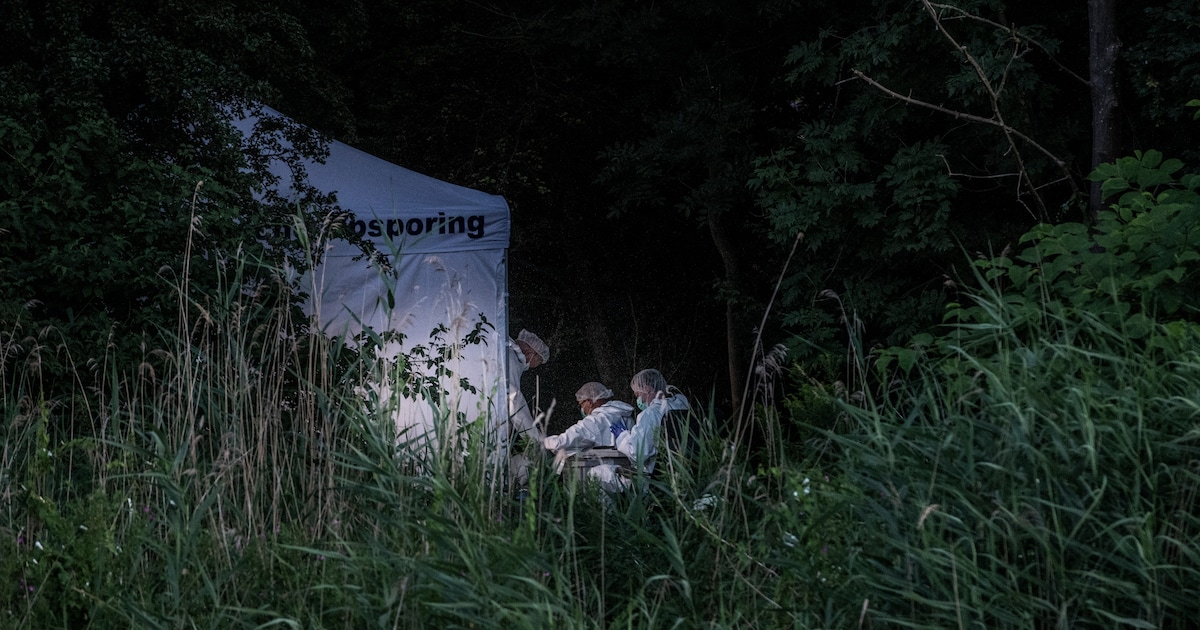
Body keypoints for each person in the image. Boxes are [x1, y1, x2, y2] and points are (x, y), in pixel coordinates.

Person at [543, 381, 636, 494]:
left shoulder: (594, 421)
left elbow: (561, 442)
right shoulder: (625, 416)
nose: (582, 408)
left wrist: (541, 441)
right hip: (626, 474)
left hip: (601, 474)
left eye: (581, 404)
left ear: (589, 402)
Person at [609, 368, 692, 477]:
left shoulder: (650, 414)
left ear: (647, 389)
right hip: (686, 471)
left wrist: (622, 437)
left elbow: (638, 454)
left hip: (658, 476)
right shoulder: (681, 405)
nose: (640, 400)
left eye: (638, 395)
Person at [506, 329, 549, 495]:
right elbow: (513, 399)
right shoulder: (510, 358)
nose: (531, 367)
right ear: (531, 354)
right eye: (536, 362)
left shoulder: (508, 355)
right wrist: (534, 438)